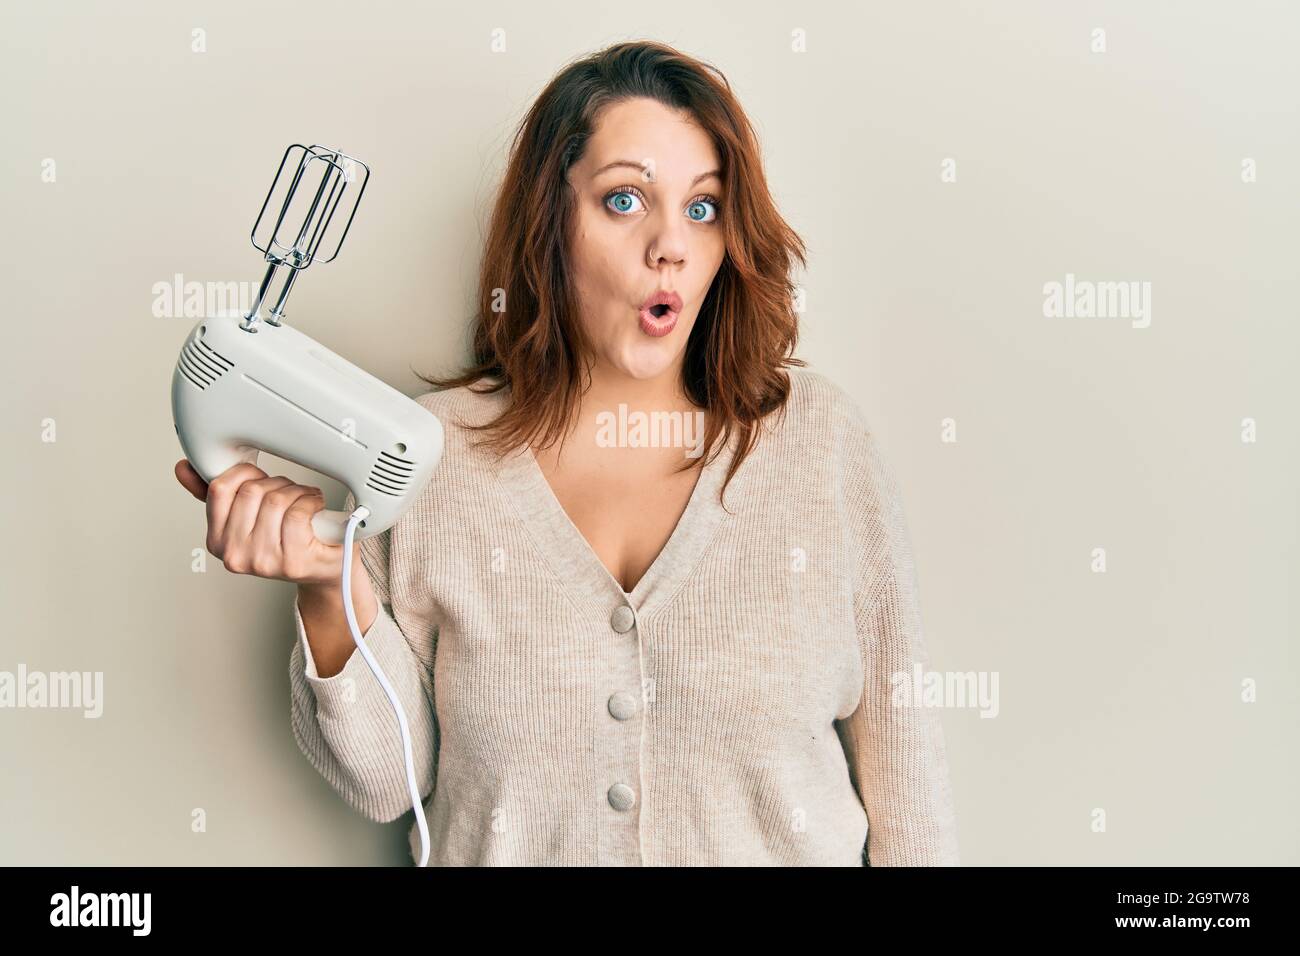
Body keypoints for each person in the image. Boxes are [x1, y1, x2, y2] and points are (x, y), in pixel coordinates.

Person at [174, 39, 959, 866]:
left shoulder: (821, 447)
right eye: (625, 200)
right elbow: (382, 781)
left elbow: (912, 797)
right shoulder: (433, 462)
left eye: (702, 208)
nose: (672, 246)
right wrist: (320, 587)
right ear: (552, 222)